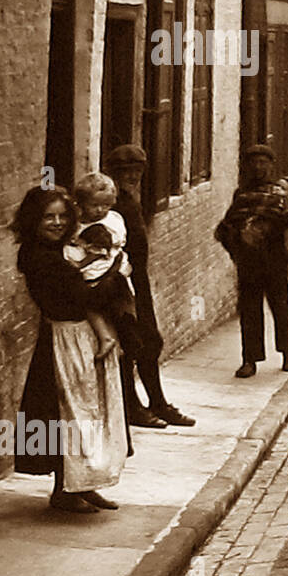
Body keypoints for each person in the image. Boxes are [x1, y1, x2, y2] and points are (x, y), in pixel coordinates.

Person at [12, 185, 129, 513]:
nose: (57, 223)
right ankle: (65, 489)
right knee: (69, 412)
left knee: (90, 409)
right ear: (33, 220)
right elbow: (84, 297)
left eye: (63, 216)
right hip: (64, 339)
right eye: (48, 217)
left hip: (80, 335)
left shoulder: (64, 250)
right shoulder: (39, 257)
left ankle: (83, 482)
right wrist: (115, 273)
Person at [103, 144, 192, 429]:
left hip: (137, 281)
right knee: (132, 343)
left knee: (150, 342)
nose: (131, 176)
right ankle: (134, 406)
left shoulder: (130, 199)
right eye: (125, 171)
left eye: (136, 171)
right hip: (119, 282)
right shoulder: (112, 203)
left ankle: (157, 403)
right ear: (113, 173)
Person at [215, 145, 288, 378]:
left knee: (280, 306)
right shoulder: (242, 194)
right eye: (254, 163)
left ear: (271, 165)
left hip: (275, 258)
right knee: (249, 311)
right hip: (249, 261)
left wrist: (274, 219)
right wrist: (239, 238)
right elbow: (230, 223)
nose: (259, 167)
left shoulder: (282, 191)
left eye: (263, 163)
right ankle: (250, 359)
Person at [63, 173, 136, 361]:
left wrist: (79, 264)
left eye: (106, 205)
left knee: (87, 302)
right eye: (94, 205)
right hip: (113, 266)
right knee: (112, 309)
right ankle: (118, 342)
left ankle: (106, 337)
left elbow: (97, 253)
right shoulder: (102, 220)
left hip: (100, 270)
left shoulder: (100, 228)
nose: (101, 210)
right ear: (80, 203)